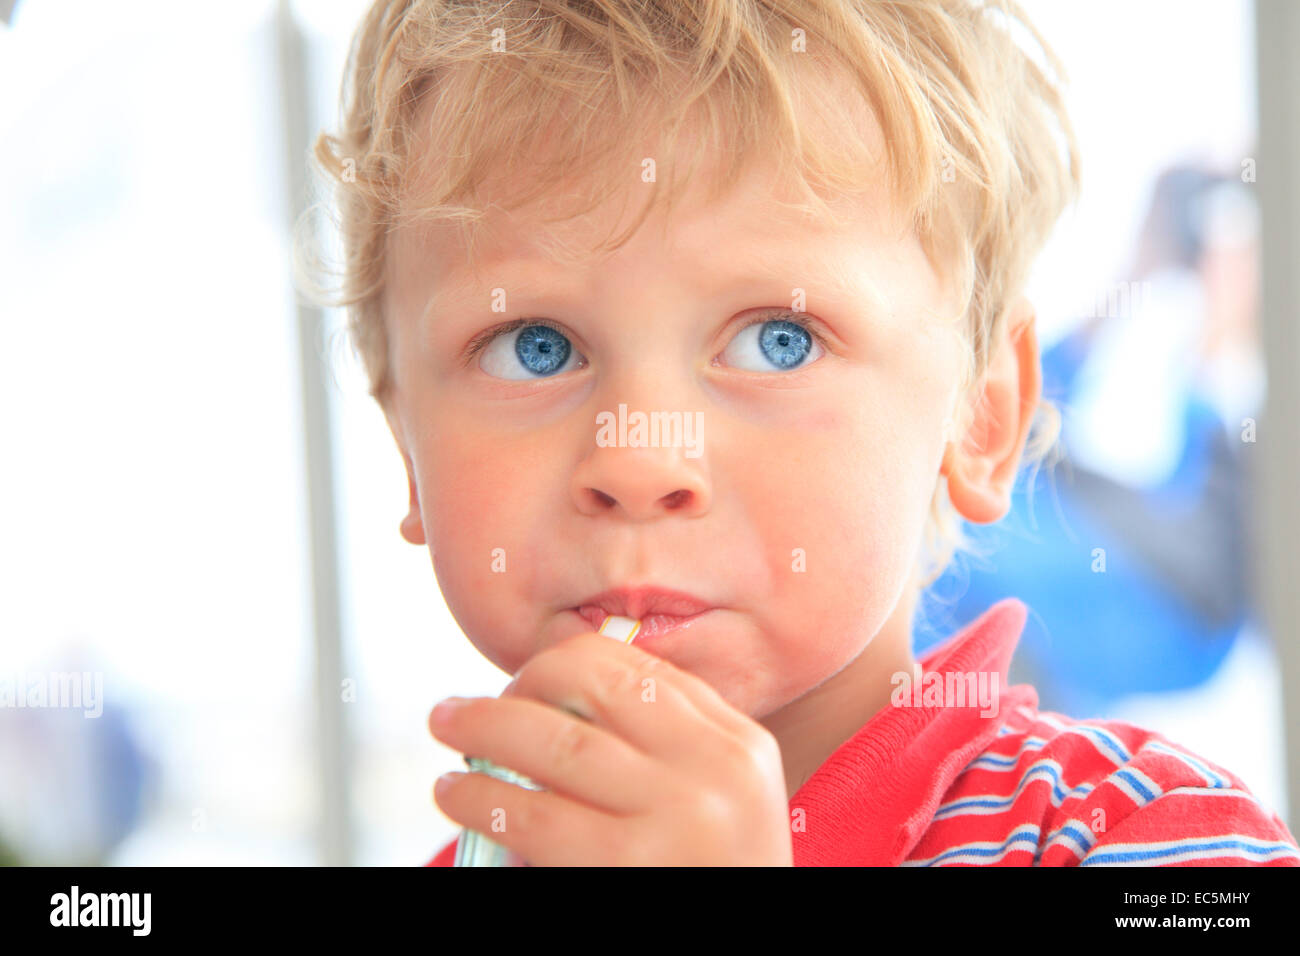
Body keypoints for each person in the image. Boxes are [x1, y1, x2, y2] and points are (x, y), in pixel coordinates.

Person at [298, 0, 1300, 865]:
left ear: (981, 415)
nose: (638, 457)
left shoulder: (1159, 836)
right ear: (406, 450)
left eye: (778, 339)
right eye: (533, 347)